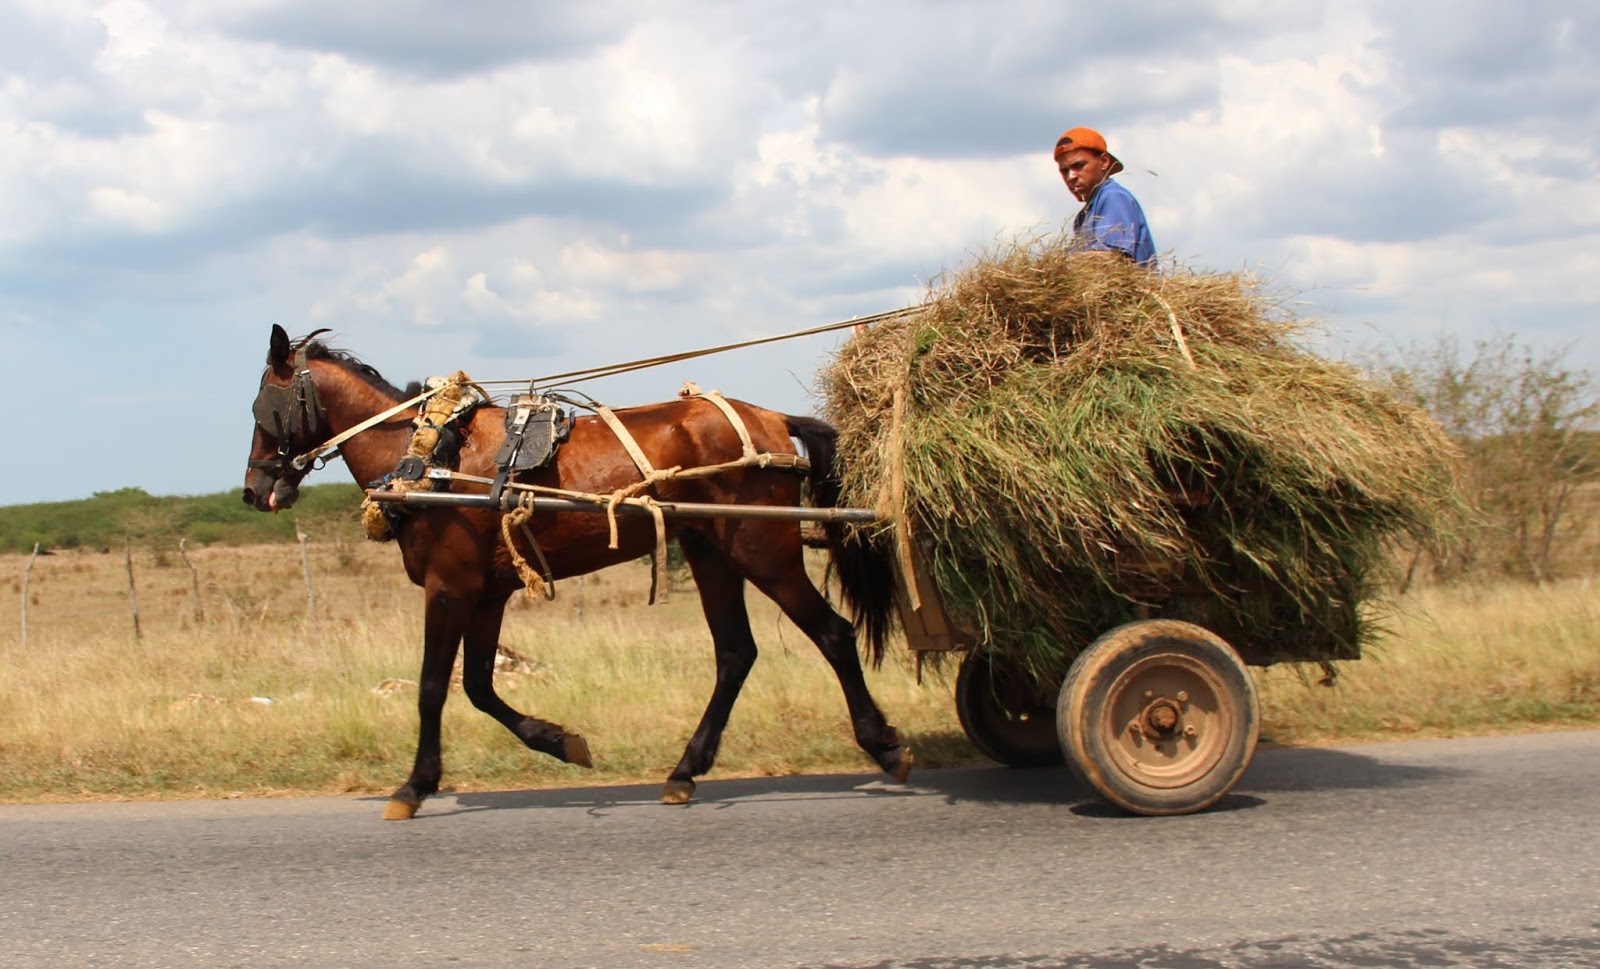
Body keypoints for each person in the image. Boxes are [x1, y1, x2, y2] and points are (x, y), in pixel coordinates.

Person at [1054, 126, 1156, 267]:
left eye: (1078, 166)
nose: (1071, 176)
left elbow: (1109, 259)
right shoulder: (1085, 215)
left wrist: (1056, 267)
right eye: (1064, 171)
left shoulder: (1113, 197)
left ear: (1104, 162)